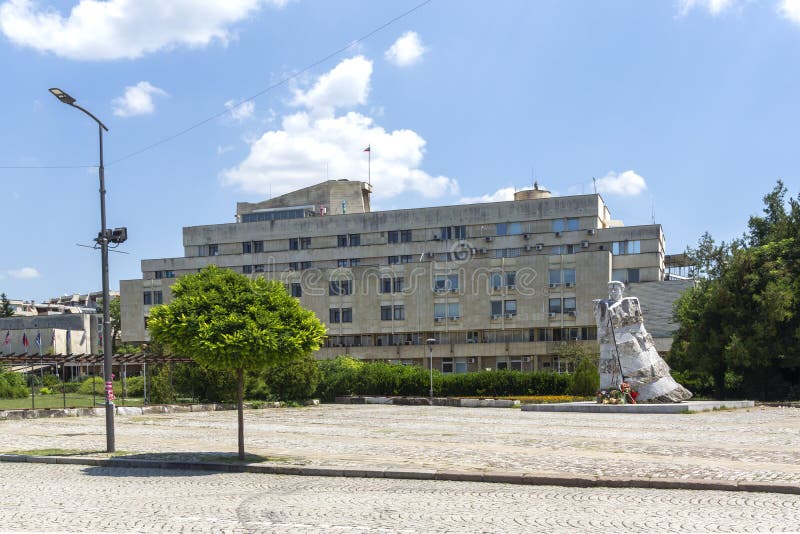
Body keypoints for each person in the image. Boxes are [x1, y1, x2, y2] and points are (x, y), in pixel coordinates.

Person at [593, 281, 692, 403]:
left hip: (633, 347)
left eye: (615, 289)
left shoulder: (629, 302)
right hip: (611, 349)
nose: (613, 292)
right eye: (610, 290)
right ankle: (612, 396)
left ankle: (648, 394)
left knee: (645, 369)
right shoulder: (602, 305)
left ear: (622, 290)